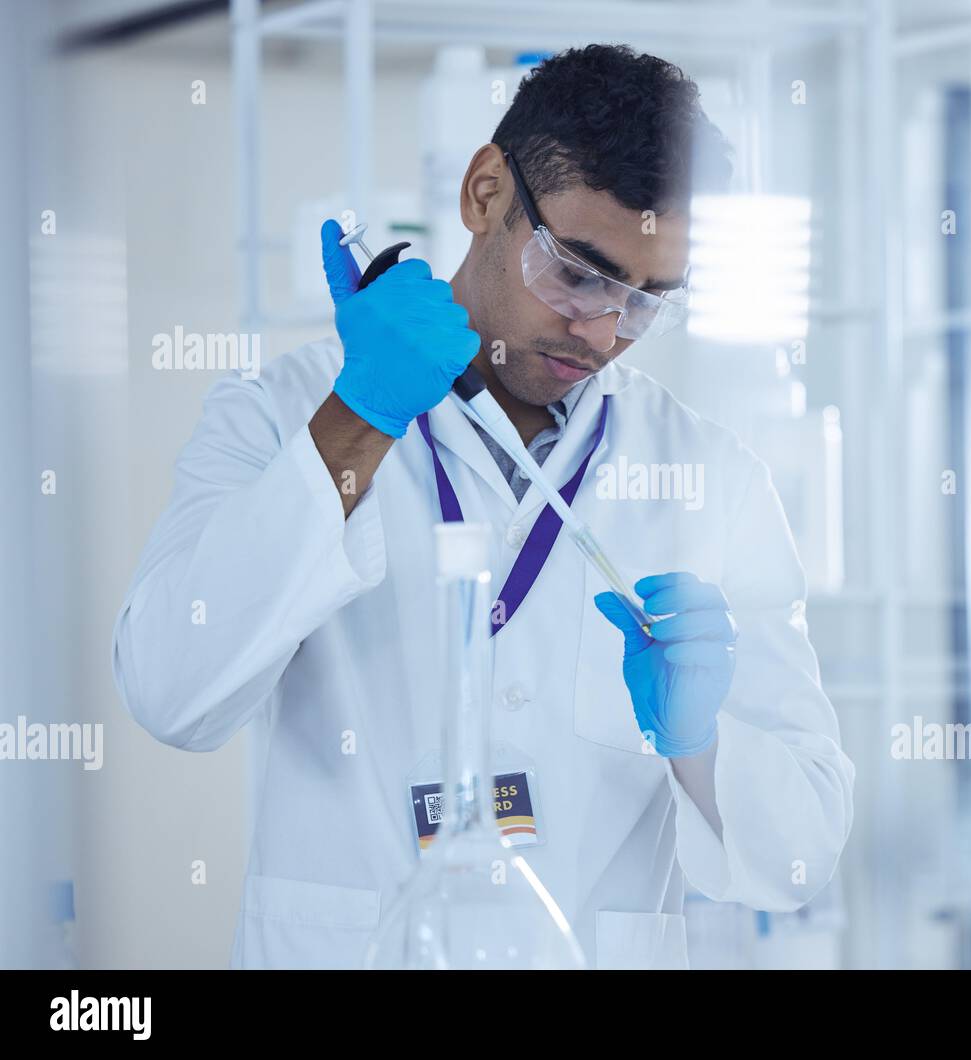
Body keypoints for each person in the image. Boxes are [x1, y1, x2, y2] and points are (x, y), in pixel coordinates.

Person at [112, 43, 854, 969]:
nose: (604, 330)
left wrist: (702, 743)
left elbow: (802, 853)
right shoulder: (282, 413)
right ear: (484, 193)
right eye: (579, 273)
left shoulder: (713, 475)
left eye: (648, 299)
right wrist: (360, 416)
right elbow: (170, 691)